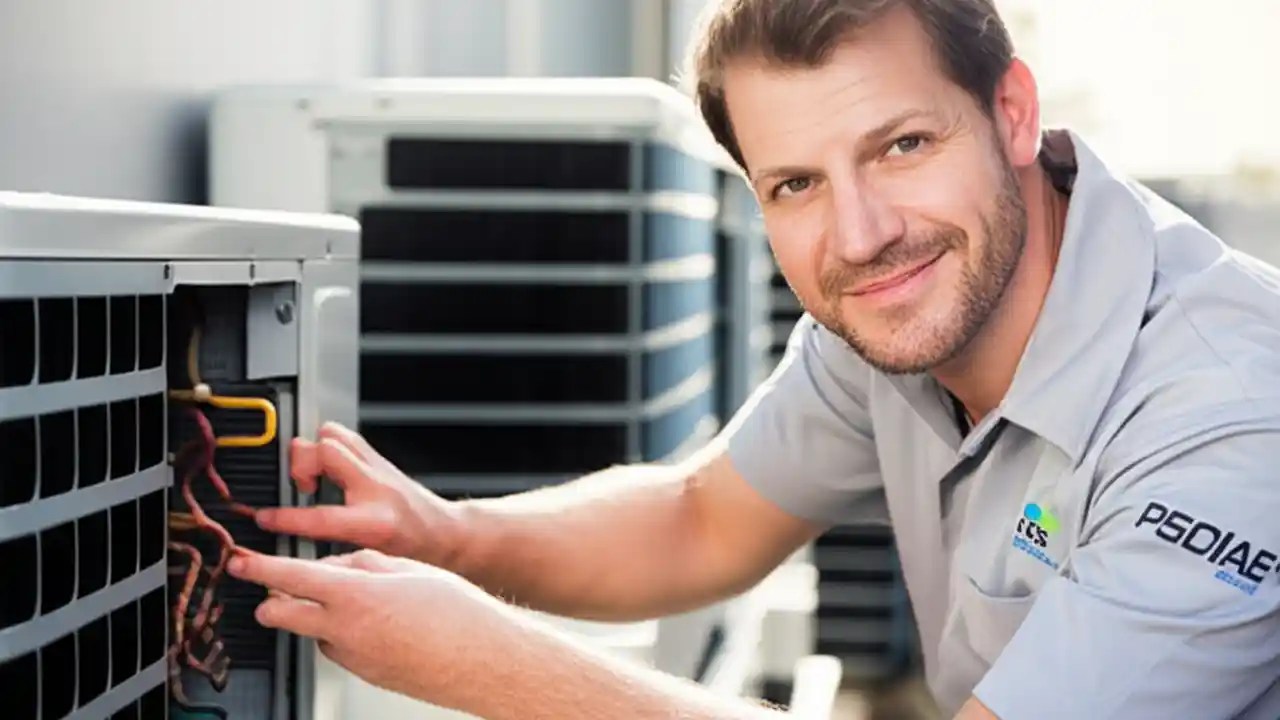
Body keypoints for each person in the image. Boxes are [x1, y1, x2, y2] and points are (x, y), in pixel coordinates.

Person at [227, 0, 1280, 718]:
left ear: (1010, 113)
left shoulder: (1228, 417)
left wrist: (493, 668)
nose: (860, 234)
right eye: (794, 185)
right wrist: (446, 534)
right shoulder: (898, 317)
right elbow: (700, 519)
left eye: (899, 146)